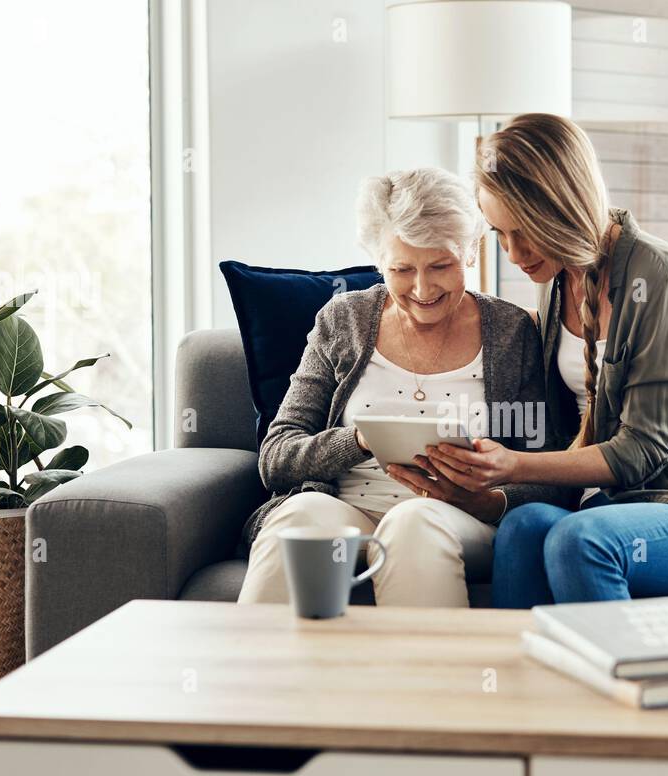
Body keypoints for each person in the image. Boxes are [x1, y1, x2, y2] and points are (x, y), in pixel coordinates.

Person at [420, 114, 668, 607]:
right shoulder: (557, 284)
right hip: (607, 509)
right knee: (523, 526)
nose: (514, 253)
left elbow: (641, 452)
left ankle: (618, 682)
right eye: (500, 234)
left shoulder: (657, 274)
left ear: (562, 207)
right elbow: (563, 429)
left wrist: (512, 466)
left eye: (525, 231)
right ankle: (516, 683)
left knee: (580, 539)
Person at [238, 168, 556, 608]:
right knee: (301, 518)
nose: (423, 289)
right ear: (378, 262)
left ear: (469, 252)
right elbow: (277, 458)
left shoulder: (511, 332)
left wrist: (486, 499)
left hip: (455, 520)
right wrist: (360, 440)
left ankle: (424, 678)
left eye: (440, 265)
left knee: (413, 523)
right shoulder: (343, 320)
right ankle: (259, 675)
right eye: (402, 269)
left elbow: (547, 470)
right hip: (345, 508)